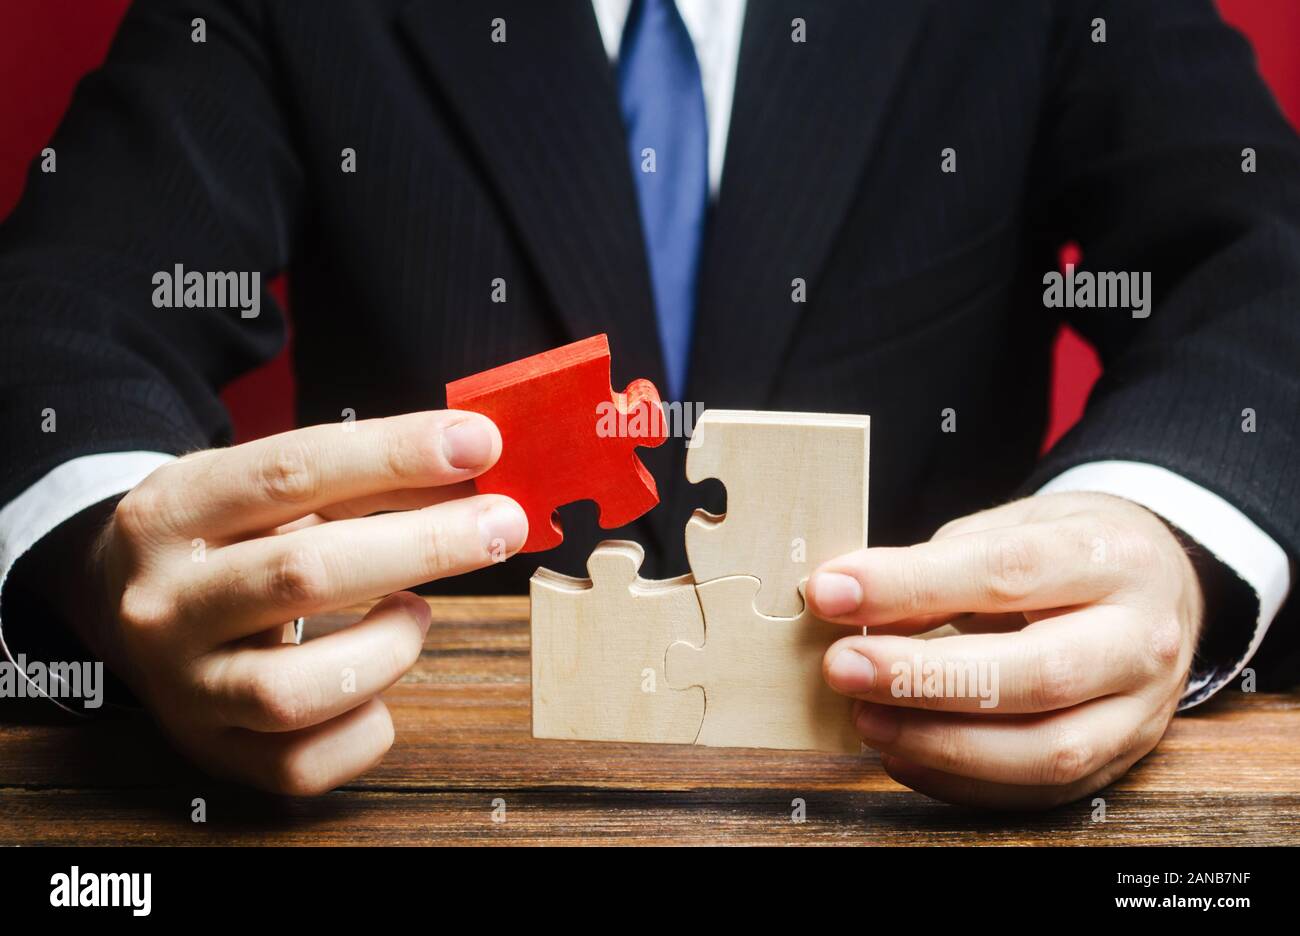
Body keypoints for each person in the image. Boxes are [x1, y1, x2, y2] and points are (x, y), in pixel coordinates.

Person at [1, 0, 1296, 808]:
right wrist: (115, 551)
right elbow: (62, 303)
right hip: (410, 779)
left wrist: (1167, 538)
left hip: (906, 790)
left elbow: (1267, 259)